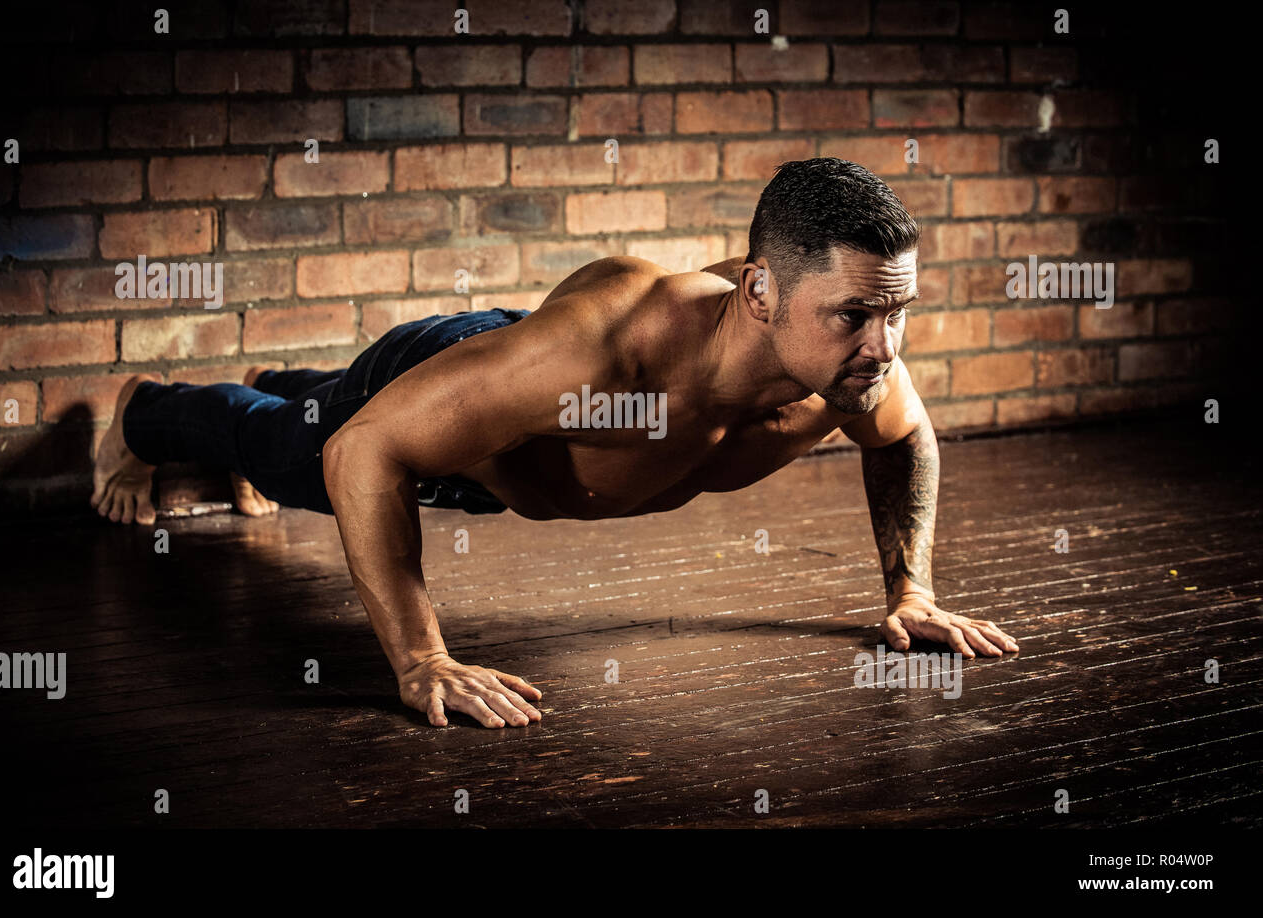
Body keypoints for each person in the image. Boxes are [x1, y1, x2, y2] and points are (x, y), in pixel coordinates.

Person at [91, 158, 1020, 729]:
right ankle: (147, 411)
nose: (885, 349)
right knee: (291, 456)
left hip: (502, 467)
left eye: (898, 312)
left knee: (307, 422)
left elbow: (905, 441)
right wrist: (422, 662)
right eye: (856, 315)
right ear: (759, 290)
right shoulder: (607, 350)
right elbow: (364, 456)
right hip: (452, 382)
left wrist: (911, 590)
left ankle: (285, 393)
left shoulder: (847, 373)